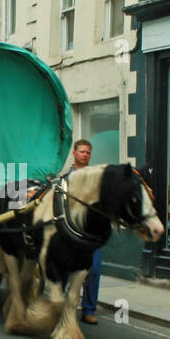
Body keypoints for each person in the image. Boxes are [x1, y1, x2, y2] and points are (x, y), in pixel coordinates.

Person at [63, 139, 102, 326]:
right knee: (64, 270)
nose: (85, 155)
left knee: (93, 270)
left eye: (88, 152)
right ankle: (60, 306)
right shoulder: (65, 179)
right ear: (74, 153)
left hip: (92, 232)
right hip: (71, 231)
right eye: (82, 152)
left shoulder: (96, 177)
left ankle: (88, 310)